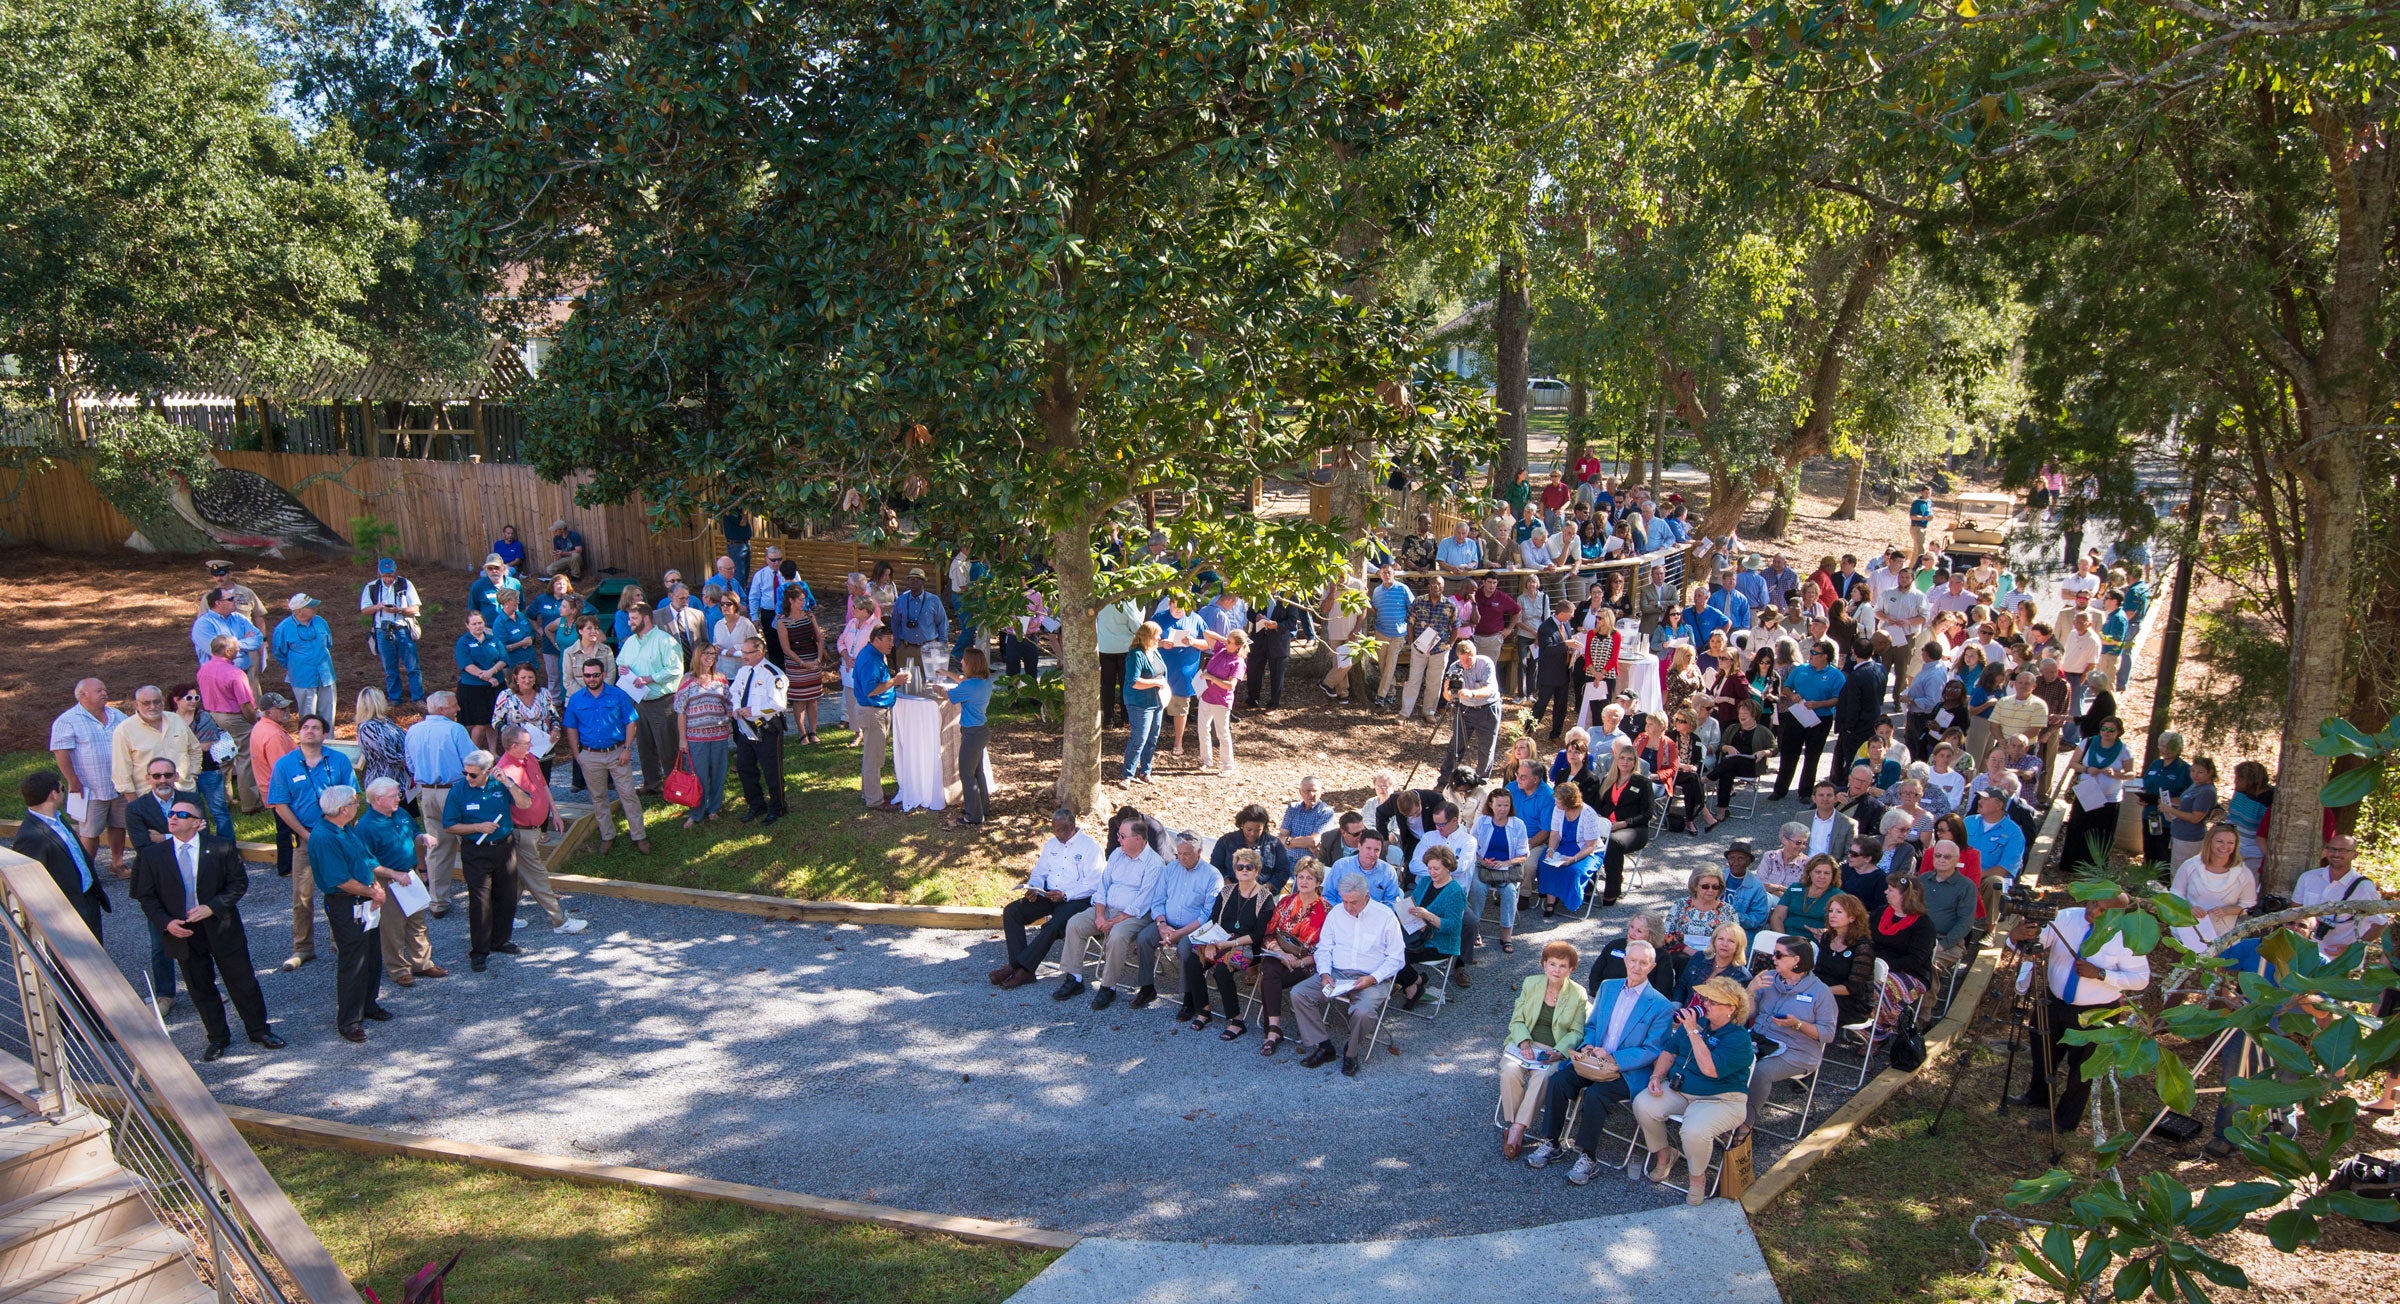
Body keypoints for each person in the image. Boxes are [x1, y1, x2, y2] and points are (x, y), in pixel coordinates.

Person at [132, 795, 283, 1060]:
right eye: (171, 814)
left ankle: (259, 1030)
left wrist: (212, 907)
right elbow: (145, 895)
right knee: (200, 986)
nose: (173, 818)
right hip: (184, 931)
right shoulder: (153, 855)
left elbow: (238, 884)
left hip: (221, 926)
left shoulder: (222, 847)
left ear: (197, 823)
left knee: (242, 980)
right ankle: (217, 1037)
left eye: (180, 814)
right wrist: (166, 923)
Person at [2008, 885, 2150, 1133]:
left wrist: (2102, 974)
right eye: (2092, 902)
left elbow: (2140, 979)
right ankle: (2039, 1095)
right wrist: (2017, 936)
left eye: (2101, 909)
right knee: (2043, 1048)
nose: (2092, 910)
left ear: (2117, 915)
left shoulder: (2127, 937)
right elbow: (2035, 944)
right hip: (2054, 1001)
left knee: (2083, 1068)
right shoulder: (2067, 917)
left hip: (2096, 1012)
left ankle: (2064, 1120)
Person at [1632, 977, 1758, 1204]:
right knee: (1643, 1103)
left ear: (1731, 1009)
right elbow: (1669, 1052)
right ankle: (1665, 1155)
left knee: (1694, 1131)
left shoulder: (1738, 1038)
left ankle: (1697, 1180)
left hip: (1721, 1100)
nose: (1705, 1004)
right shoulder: (1700, 1024)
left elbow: (1710, 1069)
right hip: (1681, 1090)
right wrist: (1656, 1076)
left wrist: (1693, 1032)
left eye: (1713, 1002)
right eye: (1706, 998)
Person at [1291, 871, 1406, 1076]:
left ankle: (1351, 1053)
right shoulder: (1337, 913)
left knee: (1362, 1012)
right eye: (1344, 901)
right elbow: (1324, 948)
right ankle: (1323, 1045)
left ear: (1366, 896)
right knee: (1299, 993)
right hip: (1337, 972)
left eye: (1353, 902)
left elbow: (1397, 958)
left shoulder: (1385, 916)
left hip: (1372, 977)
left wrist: (1372, 978)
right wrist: (1325, 973)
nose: (1348, 907)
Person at [265, 713, 355, 973]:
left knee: (340, 890)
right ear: (298, 734)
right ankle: (302, 947)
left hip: (336, 835)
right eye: (305, 727)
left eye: (316, 727)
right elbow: (280, 804)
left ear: (324, 734)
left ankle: (340, 941)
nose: (310, 731)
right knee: (302, 895)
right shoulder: (285, 765)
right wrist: (305, 835)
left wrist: (338, 829)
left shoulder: (338, 760)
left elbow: (351, 796)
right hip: (304, 838)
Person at [306, 786, 389, 1042]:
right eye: (354, 802)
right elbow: (340, 880)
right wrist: (373, 892)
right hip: (346, 903)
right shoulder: (324, 838)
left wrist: (374, 886)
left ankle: (368, 1004)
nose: (358, 805)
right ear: (343, 809)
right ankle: (349, 1020)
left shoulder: (346, 828)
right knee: (353, 961)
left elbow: (364, 860)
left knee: (372, 954)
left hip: (364, 898)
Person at [1055, 821, 1168, 1008]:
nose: (1118, 839)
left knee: (1117, 934)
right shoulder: (1117, 854)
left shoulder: (1154, 864)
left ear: (1138, 839)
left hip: (1136, 916)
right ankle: (1074, 978)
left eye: (1122, 836)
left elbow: (1142, 902)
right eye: (1118, 835)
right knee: (1075, 923)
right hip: (1107, 909)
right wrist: (1100, 915)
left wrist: (1113, 921)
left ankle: (1108, 987)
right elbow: (1102, 887)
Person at [1497, 941, 1591, 1158]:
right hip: (1525, 1044)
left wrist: (1559, 1051)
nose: (1556, 970)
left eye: (1562, 966)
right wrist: (1523, 1042)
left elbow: (1577, 1031)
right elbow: (1517, 1019)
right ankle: (1513, 1122)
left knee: (1544, 1076)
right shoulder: (1531, 983)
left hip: (1553, 1050)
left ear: (1571, 969)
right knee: (1509, 1070)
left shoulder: (1578, 994)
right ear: (1544, 965)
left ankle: (1517, 1130)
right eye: (1552, 964)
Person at [992, 811, 1106, 987]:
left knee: (1053, 925)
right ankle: (1023, 970)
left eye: (1062, 830)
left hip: (1076, 899)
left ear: (1073, 825)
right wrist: (1033, 888)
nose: (1058, 834)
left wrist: (1066, 895)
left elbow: (1093, 884)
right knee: (1012, 911)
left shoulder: (1090, 847)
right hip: (1049, 894)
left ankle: (1016, 968)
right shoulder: (1051, 844)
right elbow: (1040, 872)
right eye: (1055, 830)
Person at [353, 778, 444, 988]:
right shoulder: (366, 827)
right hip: (387, 880)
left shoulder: (400, 813)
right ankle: (398, 969)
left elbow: (413, 832)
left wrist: (423, 838)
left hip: (408, 875)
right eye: (393, 796)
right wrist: (394, 874)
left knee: (417, 921)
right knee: (392, 927)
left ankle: (422, 963)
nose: (399, 798)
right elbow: (368, 863)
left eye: (397, 794)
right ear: (377, 799)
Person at [493, 726, 581, 936]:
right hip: (520, 832)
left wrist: (555, 813)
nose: (531, 745)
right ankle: (559, 921)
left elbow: (543, 786)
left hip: (532, 829)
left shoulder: (529, 758)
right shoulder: (504, 771)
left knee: (521, 877)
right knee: (538, 875)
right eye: (526, 743)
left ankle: (503, 914)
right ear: (514, 746)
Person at [1743, 935, 1837, 1126]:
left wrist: (1798, 1024)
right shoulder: (1767, 979)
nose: (1773, 959)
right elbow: (1748, 1013)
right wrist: (1750, 991)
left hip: (1798, 1050)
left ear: (1796, 960)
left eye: (1779, 955)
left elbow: (1828, 1034)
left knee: (1761, 1071)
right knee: (1724, 1053)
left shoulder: (1820, 992)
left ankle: (1745, 1125)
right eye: (1773, 953)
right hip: (1760, 1040)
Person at [561, 658, 651, 853]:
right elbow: (571, 728)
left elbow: (630, 723)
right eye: (587, 675)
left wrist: (627, 749)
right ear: (582, 676)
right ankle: (607, 835)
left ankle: (639, 835)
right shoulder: (576, 699)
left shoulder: (618, 695)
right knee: (598, 797)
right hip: (590, 756)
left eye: (595, 675)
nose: (591, 679)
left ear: (602, 674)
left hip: (617, 753)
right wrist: (578, 755)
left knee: (628, 794)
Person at [443, 751, 519, 972]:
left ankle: (500, 940)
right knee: (480, 901)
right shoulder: (459, 790)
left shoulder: (500, 784)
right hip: (476, 851)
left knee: (506, 896)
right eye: (465, 773)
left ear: (488, 771)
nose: (468, 777)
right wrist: (477, 827)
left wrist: (508, 783)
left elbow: (525, 803)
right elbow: (449, 825)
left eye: (473, 775)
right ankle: (479, 951)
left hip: (504, 848)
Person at [1187, 848, 1276, 1034]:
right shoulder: (1226, 892)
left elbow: (1258, 935)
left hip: (1246, 946)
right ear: (1234, 870)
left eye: (1249, 867)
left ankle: (1236, 1020)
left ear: (1257, 871)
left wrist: (1229, 944)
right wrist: (1210, 943)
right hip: (1219, 940)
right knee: (1192, 961)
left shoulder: (1265, 898)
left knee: (1221, 970)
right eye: (1240, 866)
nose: (1244, 870)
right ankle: (1203, 1010)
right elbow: (1212, 921)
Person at [13, 771, 110, 938]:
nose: (63, 792)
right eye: (61, 788)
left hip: (86, 898)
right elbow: (30, 884)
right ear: (53, 794)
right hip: (67, 911)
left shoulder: (57, 818)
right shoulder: (30, 836)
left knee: (96, 954)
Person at [49, 678, 129, 876]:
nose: (105, 693)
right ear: (83, 695)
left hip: (119, 784)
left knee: (119, 824)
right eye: (99, 690)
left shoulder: (116, 715)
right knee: (89, 831)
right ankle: (87, 871)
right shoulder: (67, 720)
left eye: (105, 689)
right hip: (89, 787)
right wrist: (72, 780)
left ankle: (117, 864)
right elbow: (60, 752)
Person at [403, 692, 472, 913]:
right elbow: (472, 762)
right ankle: (479, 895)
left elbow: (411, 765)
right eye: (454, 705)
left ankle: (437, 901)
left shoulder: (413, 730)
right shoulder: (455, 729)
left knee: (436, 846)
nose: (458, 709)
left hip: (427, 793)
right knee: (470, 843)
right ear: (442, 710)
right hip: (454, 791)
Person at [617, 604, 687, 797]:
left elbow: (675, 669)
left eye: (633, 618)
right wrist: (623, 669)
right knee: (645, 745)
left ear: (646, 618)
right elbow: (620, 661)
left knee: (667, 745)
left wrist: (649, 678)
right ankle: (652, 783)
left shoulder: (665, 641)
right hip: (639, 701)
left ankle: (676, 785)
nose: (629, 622)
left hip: (662, 701)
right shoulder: (631, 641)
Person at [2059, 716, 2134, 877]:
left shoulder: (2124, 750)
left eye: (2111, 730)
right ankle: (2072, 864)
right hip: (2087, 792)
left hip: (2110, 799)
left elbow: (2131, 774)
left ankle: (2095, 868)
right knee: (2079, 828)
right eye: (2104, 729)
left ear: (2119, 732)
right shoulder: (2088, 743)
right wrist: (2087, 770)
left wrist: (2117, 774)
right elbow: (2073, 763)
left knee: (2101, 833)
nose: (2107, 733)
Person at [1394, 846, 1467, 1009]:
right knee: (1385, 948)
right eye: (1429, 868)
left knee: (1395, 956)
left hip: (1440, 943)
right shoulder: (1426, 881)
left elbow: (1454, 927)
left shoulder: (1455, 892)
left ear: (1448, 868)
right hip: (1417, 935)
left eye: (1436, 869)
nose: (1432, 872)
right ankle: (1414, 981)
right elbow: (1413, 903)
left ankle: (1412, 984)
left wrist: (1428, 916)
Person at [1587, 741, 1654, 909]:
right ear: (1616, 760)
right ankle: (1587, 886)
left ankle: (1612, 890)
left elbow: (1647, 814)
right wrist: (1600, 817)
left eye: (1629, 759)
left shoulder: (1642, 782)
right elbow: (1598, 805)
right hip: (1606, 826)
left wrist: (1623, 823)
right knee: (1586, 838)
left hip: (1633, 829)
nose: (1625, 762)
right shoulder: (1608, 780)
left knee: (1612, 843)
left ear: (1635, 762)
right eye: (1622, 758)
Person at [1773, 640, 1843, 800]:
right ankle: (1780, 789)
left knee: (1812, 756)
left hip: (1820, 719)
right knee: (1789, 753)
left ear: (1825, 656)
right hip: (1797, 715)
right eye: (1810, 652)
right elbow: (1786, 687)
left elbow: (1838, 699)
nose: (1810, 656)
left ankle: (1805, 792)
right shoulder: (1801, 669)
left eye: (1814, 653)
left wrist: (1819, 704)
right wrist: (1792, 695)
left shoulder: (1835, 675)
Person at [2170, 823, 2259, 949]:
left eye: (2230, 843)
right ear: (2210, 842)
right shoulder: (2190, 866)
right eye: (2220, 841)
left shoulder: (2243, 873)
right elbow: (2175, 894)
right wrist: (2189, 908)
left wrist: (2226, 911)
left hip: (2225, 936)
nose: (2225, 846)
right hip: (2189, 932)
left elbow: (2249, 905)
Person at [110, 684, 195, 815]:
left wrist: (193, 775)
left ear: (162, 701)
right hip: (149, 800)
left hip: (185, 792)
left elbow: (194, 749)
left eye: (156, 702)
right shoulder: (124, 731)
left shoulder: (175, 719)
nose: (152, 706)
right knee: (156, 836)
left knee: (190, 834)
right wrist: (136, 807)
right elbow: (121, 774)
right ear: (136, 704)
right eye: (146, 703)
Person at [171, 683, 237, 840]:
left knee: (218, 810)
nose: (194, 701)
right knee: (195, 812)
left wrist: (179, 748)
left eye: (196, 697)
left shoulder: (203, 717)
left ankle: (227, 846)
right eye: (189, 698)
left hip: (208, 770)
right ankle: (203, 844)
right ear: (176, 700)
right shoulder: (170, 719)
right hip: (184, 772)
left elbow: (206, 745)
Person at [852, 623, 906, 809]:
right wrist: (895, 681)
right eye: (888, 640)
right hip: (872, 711)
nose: (892, 643)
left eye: (893, 639)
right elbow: (871, 690)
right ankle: (875, 800)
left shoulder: (874, 654)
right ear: (876, 640)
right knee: (873, 759)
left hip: (876, 710)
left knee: (873, 756)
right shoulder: (871, 660)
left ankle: (869, 793)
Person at [1472, 787, 1531, 955]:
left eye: (1506, 805)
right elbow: (1472, 846)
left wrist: (1505, 862)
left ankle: (1506, 935)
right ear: (1491, 805)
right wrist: (1483, 860)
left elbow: (1523, 855)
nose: (1502, 809)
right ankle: (1474, 929)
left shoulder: (1517, 825)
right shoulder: (1482, 822)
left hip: (1507, 867)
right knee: (1477, 888)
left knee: (1509, 892)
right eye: (1499, 805)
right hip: (1483, 865)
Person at [1537, 779, 1605, 919]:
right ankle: (1551, 900)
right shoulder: (1558, 810)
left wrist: (1573, 859)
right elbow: (1555, 833)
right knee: (1545, 862)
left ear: (1569, 802)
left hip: (1586, 850)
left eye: (1559, 801)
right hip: (1564, 844)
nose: (1555, 803)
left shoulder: (1588, 813)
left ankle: (1571, 900)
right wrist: (1551, 849)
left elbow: (1590, 845)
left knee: (1573, 870)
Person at [1441, 637, 1504, 781]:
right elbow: (1448, 697)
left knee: (1486, 747)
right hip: (1465, 710)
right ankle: (1445, 779)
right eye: (1462, 660)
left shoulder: (1485, 663)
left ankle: (1481, 781)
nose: (1465, 663)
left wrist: (1472, 693)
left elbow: (1490, 689)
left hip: (1487, 709)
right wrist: (1446, 689)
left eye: (1469, 659)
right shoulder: (1455, 667)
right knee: (1455, 745)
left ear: (1475, 654)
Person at [775, 586, 827, 745]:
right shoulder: (782, 621)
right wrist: (802, 663)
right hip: (796, 664)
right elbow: (786, 648)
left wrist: (818, 659)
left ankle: (813, 731)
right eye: (801, 600)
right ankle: (802, 732)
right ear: (791, 601)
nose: (804, 602)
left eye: (804, 599)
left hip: (813, 660)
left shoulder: (809, 616)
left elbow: (819, 638)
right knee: (799, 700)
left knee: (813, 699)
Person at [1119, 621, 1169, 785]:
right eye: (1157, 635)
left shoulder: (1155, 652)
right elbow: (1134, 682)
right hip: (1139, 703)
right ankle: (1128, 774)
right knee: (1139, 738)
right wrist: (1156, 683)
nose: (1159, 638)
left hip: (1157, 701)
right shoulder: (1136, 654)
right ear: (1148, 636)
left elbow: (1161, 673)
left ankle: (1145, 771)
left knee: (1152, 738)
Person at [1195, 628, 1248, 778]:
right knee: (1202, 729)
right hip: (1206, 696)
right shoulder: (1220, 649)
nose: (1226, 643)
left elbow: (1231, 685)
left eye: (1230, 642)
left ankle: (1227, 764)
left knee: (1222, 732)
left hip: (1221, 701)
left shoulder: (1238, 662)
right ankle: (1206, 759)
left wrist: (1211, 678)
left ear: (1238, 646)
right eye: (1227, 639)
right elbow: (1206, 633)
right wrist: (1223, 639)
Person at [452, 611, 508, 746]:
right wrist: (487, 678)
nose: (477, 626)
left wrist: (492, 671)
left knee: (493, 721)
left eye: (480, 623)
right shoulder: (463, 642)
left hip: (496, 686)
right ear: (467, 625)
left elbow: (504, 658)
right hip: (473, 688)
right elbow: (466, 665)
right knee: (480, 724)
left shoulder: (493, 639)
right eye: (474, 624)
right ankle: (472, 753)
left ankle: (493, 752)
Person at [1675, 919, 1751, 1007]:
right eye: (1720, 939)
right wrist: (1676, 1007)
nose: (1724, 944)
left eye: (1731, 941)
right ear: (1714, 941)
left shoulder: (1742, 977)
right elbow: (1682, 985)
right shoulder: (1699, 957)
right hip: (1684, 1012)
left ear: (1738, 947)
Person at [1771, 854, 1842, 936]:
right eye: (1818, 872)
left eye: (1827, 873)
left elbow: (1841, 927)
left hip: (1814, 941)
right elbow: (1777, 917)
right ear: (1809, 873)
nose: (1822, 876)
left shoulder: (1838, 896)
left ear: (1833, 876)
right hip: (1785, 938)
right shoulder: (1794, 888)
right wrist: (1783, 939)